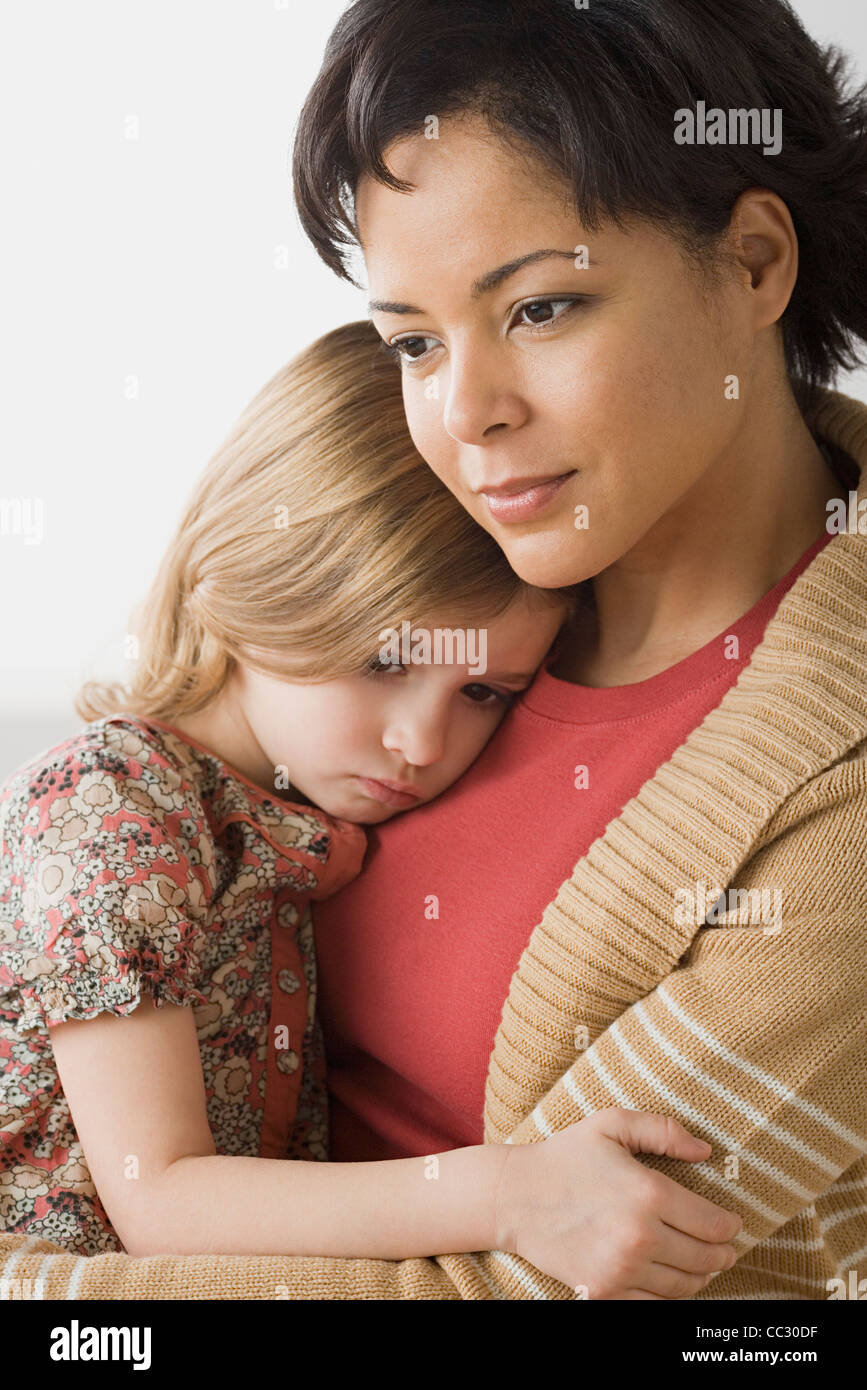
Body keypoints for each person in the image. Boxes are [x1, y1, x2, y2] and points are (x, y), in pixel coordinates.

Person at [2, 0, 864, 1301]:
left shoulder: (830, 787)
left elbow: (515, 1287)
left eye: (540, 308)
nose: (462, 413)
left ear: (749, 263)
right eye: (411, 337)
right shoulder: (453, 592)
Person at [0, 320, 741, 1298]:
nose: (423, 743)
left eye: (484, 693)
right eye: (388, 663)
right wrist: (513, 1193)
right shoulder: (113, 810)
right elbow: (158, 1197)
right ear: (252, 583)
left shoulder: (294, 820)